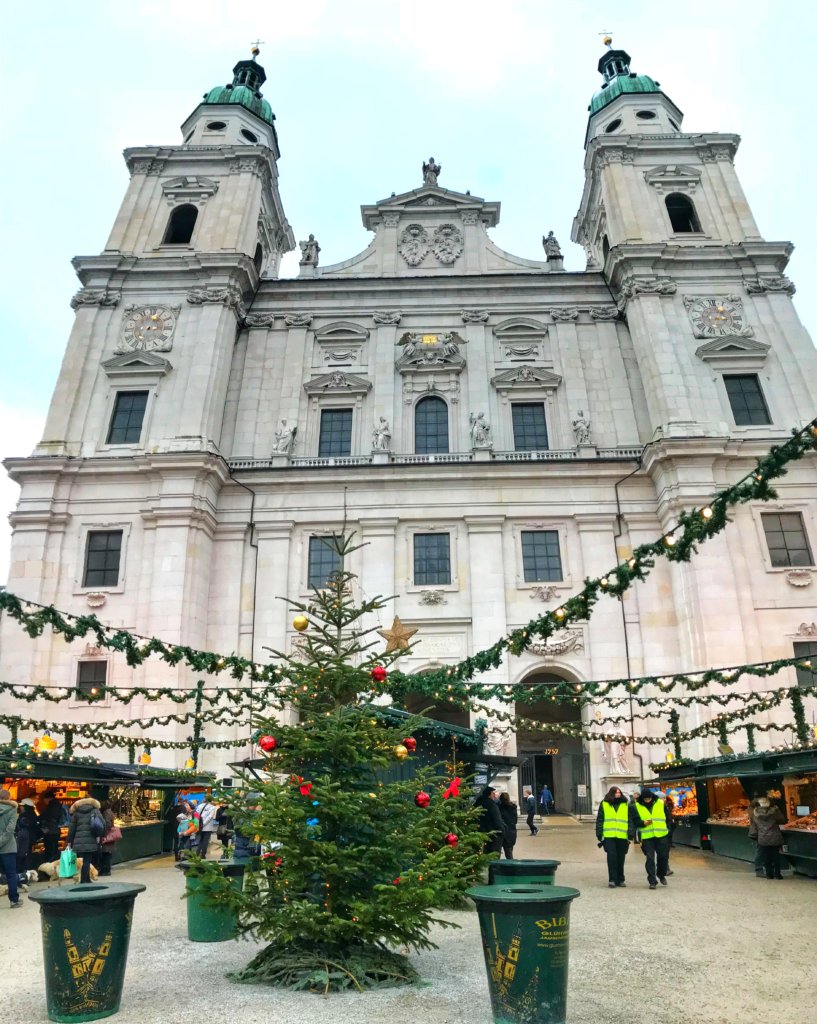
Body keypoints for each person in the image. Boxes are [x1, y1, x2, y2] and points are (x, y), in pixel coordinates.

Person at [630, 787, 670, 890]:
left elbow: (667, 817)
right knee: (650, 858)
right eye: (645, 799)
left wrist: (669, 828)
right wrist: (643, 823)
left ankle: (661, 874)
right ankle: (652, 881)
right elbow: (635, 821)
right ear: (642, 798)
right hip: (647, 836)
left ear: (652, 797)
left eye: (649, 798)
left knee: (663, 857)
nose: (648, 800)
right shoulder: (636, 806)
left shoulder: (660, 803)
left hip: (661, 834)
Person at [595, 785, 630, 888]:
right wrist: (599, 834)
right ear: (611, 793)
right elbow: (600, 819)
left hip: (622, 835)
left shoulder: (625, 804)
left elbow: (630, 819)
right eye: (616, 793)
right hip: (609, 835)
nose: (618, 794)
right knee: (611, 857)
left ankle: (621, 879)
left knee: (621, 857)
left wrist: (630, 834)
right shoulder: (604, 803)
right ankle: (612, 879)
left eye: (619, 792)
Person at [67, 797, 102, 884]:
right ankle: (83, 881)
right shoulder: (95, 810)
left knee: (84, 861)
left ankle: (87, 879)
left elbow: (72, 828)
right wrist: (99, 835)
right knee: (87, 861)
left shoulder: (76, 813)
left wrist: (69, 841)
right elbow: (102, 823)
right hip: (91, 839)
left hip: (78, 841)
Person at [749, 796, 786, 880]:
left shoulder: (755, 814)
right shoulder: (775, 812)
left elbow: (754, 827)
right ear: (769, 804)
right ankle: (777, 874)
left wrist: (753, 836)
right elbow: (782, 820)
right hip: (775, 836)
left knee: (766, 856)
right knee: (776, 855)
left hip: (762, 838)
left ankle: (769, 874)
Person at [0, 789, 22, 908]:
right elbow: (10, 830)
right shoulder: (12, 809)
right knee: (11, 875)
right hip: (8, 848)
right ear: (8, 798)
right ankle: (14, 900)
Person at [473, 786, 504, 855]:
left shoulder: (477, 803)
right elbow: (497, 820)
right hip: (493, 834)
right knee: (493, 855)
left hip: (479, 833)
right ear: (489, 794)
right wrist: (502, 832)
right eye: (493, 793)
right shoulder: (491, 804)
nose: (494, 795)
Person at [15, 797, 40, 876]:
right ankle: (26, 871)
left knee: (21, 855)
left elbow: (19, 826)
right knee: (27, 854)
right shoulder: (33, 814)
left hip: (24, 838)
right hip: (31, 838)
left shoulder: (24, 816)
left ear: (25, 806)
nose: (20, 807)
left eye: (22, 806)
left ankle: (22, 872)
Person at [39, 789, 65, 863]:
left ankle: (49, 864)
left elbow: (44, 817)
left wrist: (39, 820)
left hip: (50, 832)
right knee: (54, 849)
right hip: (56, 831)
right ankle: (54, 863)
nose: (44, 802)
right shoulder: (58, 805)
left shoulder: (51, 806)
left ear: (48, 798)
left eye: (44, 800)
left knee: (49, 851)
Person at [166, 796, 190, 861]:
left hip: (174, 826)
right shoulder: (183, 808)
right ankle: (180, 855)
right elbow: (184, 818)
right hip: (181, 826)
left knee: (176, 841)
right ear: (182, 802)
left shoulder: (173, 808)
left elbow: (170, 818)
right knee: (182, 841)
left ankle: (176, 856)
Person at [96, 801, 117, 876]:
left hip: (107, 836)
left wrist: (103, 832)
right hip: (109, 836)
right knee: (107, 853)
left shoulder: (106, 812)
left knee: (106, 853)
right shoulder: (109, 811)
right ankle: (106, 869)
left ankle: (106, 870)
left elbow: (107, 823)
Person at [747, 797, 765, 878]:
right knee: (760, 851)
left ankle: (759, 869)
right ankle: (759, 870)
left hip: (757, 833)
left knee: (760, 851)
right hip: (760, 833)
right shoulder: (757, 812)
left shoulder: (751, 810)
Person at [498, 792, 518, 859]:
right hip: (511, 832)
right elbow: (515, 821)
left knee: (498, 854)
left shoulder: (499, 808)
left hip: (503, 832)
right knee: (509, 853)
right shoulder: (513, 807)